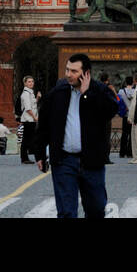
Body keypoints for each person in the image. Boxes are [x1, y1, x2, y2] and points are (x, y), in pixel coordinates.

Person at [35, 53, 119, 218]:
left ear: (85, 73)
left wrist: (87, 94)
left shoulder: (99, 90)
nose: (68, 74)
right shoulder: (57, 93)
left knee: (95, 209)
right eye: (67, 70)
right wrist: (39, 153)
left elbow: (111, 111)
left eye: (74, 71)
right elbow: (44, 125)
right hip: (64, 160)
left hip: (92, 161)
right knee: (66, 212)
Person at [19, 76, 39, 164]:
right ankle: (26, 157)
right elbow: (28, 108)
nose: (31, 83)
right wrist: (35, 118)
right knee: (28, 139)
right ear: (25, 83)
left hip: (30, 119)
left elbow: (33, 104)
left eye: (32, 81)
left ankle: (26, 157)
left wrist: (37, 98)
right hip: (28, 119)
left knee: (28, 138)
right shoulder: (26, 94)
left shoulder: (30, 93)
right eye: (29, 82)